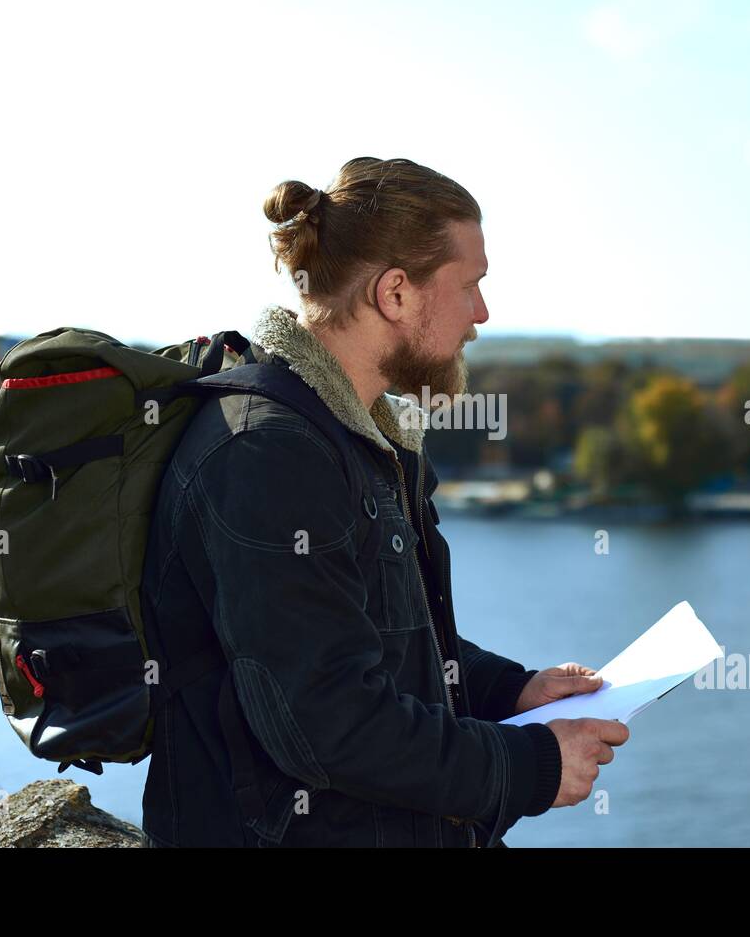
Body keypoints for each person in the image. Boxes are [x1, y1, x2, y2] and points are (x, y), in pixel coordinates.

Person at [140, 156, 629, 847]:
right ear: (396, 293)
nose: (482, 314)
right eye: (470, 286)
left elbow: (379, 641)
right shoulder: (268, 453)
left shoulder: (362, 436)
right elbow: (326, 721)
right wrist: (533, 765)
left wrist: (513, 691)